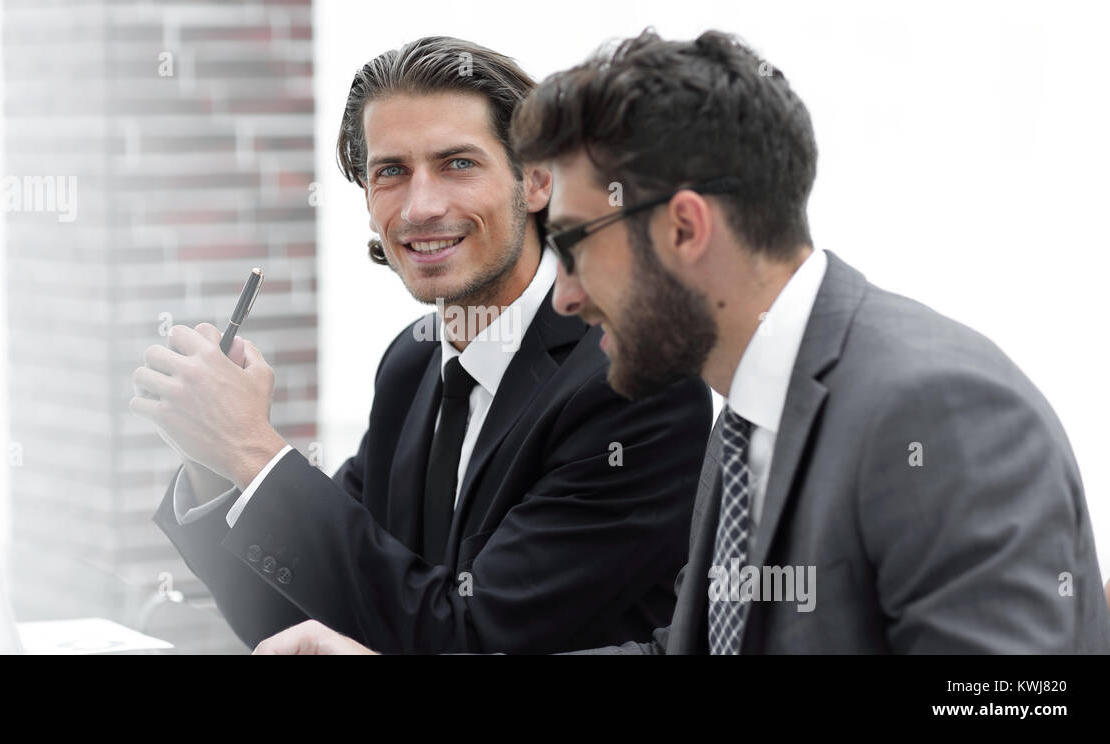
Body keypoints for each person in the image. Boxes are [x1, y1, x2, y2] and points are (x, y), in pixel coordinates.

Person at [252, 28, 1110, 654]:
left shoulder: (933, 407)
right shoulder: (749, 412)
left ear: (686, 229)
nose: (569, 293)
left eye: (579, 241)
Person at [129, 36, 713, 653]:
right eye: (391, 172)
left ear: (538, 179)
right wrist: (213, 457)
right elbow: (304, 617)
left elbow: (470, 637)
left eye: (458, 163)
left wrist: (250, 448)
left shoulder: (634, 383)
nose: (421, 207)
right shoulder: (412, 363)